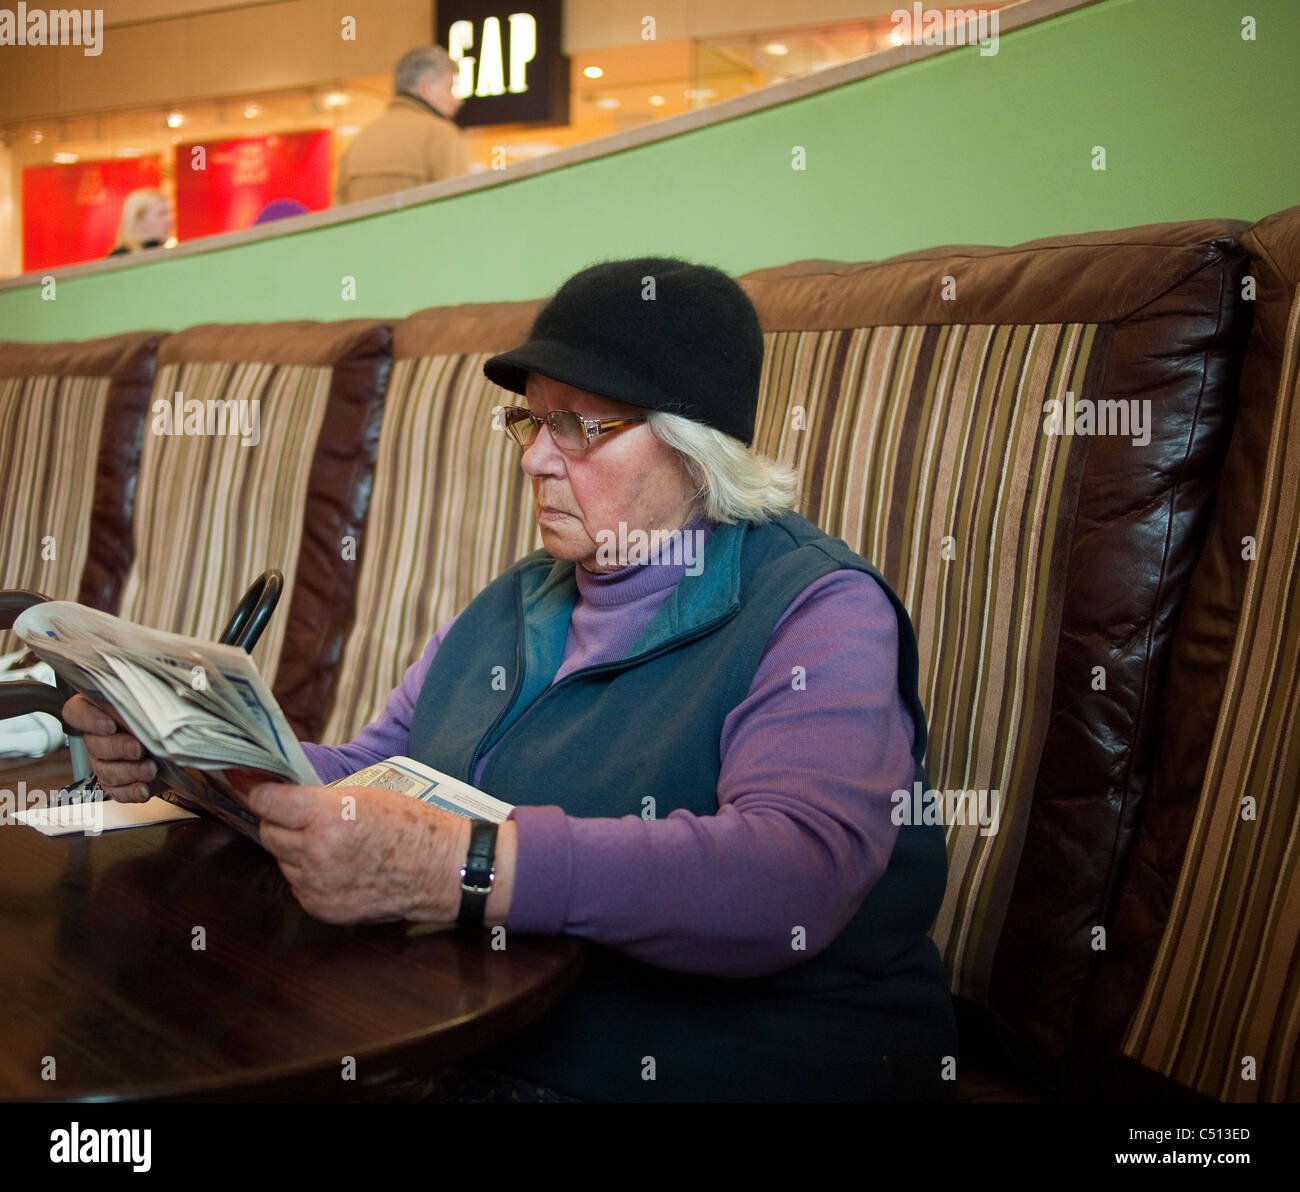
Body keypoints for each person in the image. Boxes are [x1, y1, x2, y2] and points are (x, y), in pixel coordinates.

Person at [66, 257, 958, 1102]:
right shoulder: (515, 600)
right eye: (533, 420)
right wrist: (189, 754)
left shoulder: (817, 609)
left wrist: (460, 864)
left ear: (698, 449)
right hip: (481, 1045)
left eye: (584, 424)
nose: (534, 457)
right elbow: (372, 772)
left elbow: (791, 872)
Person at [333, 45, 472, 205]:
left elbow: (338, 212)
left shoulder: (359, 140)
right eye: (450, 88)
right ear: (425, 87)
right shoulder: (441, 134)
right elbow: (459, 208)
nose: (458, 100)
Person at [107, 188, 172, 256]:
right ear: (138, 220)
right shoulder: (118, 260)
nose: (170, 218)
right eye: (161, 213)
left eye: (169, 213)